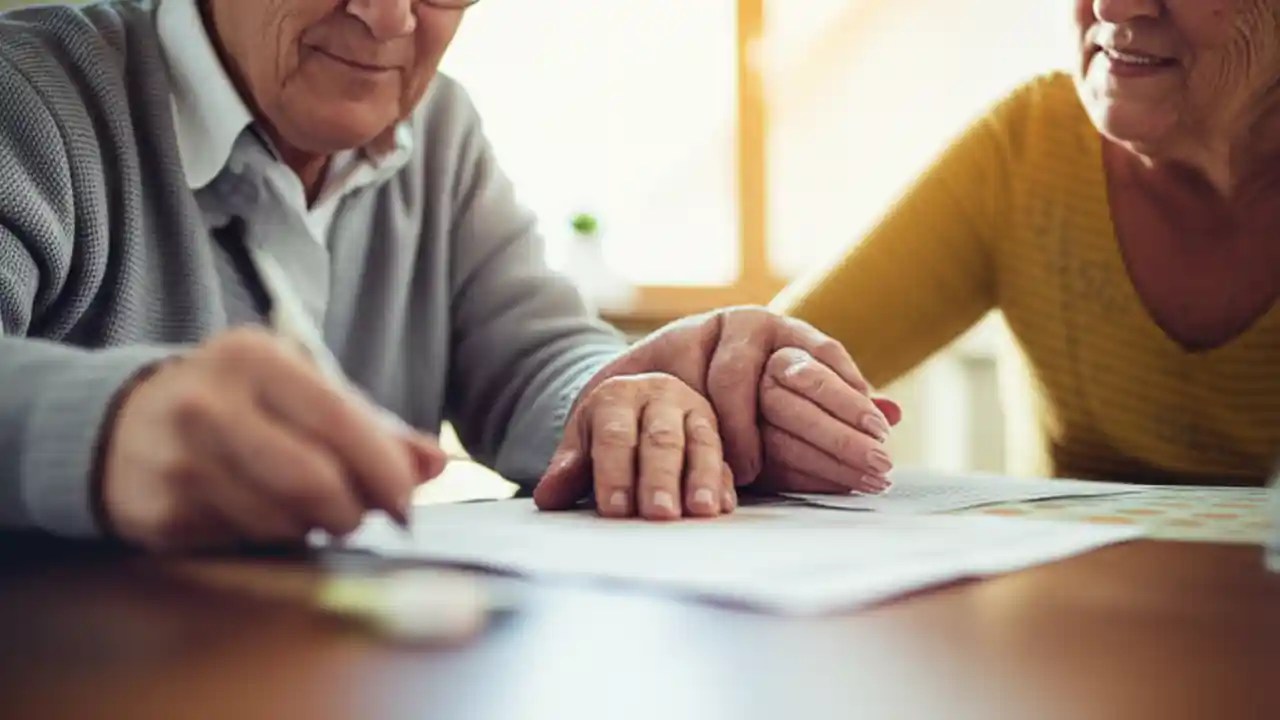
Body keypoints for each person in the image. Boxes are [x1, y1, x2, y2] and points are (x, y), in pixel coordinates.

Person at [0, 0, 901, 551]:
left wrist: (633, 399)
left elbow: (534, 358)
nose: (391, 18)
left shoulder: (438, 131)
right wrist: (109, 426)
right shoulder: (30, 94)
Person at [774, 0, 1280, 486]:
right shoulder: (1030, 147)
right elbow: (770, 371)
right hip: (1070, 576)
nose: (1112, 6)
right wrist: (714, 369)